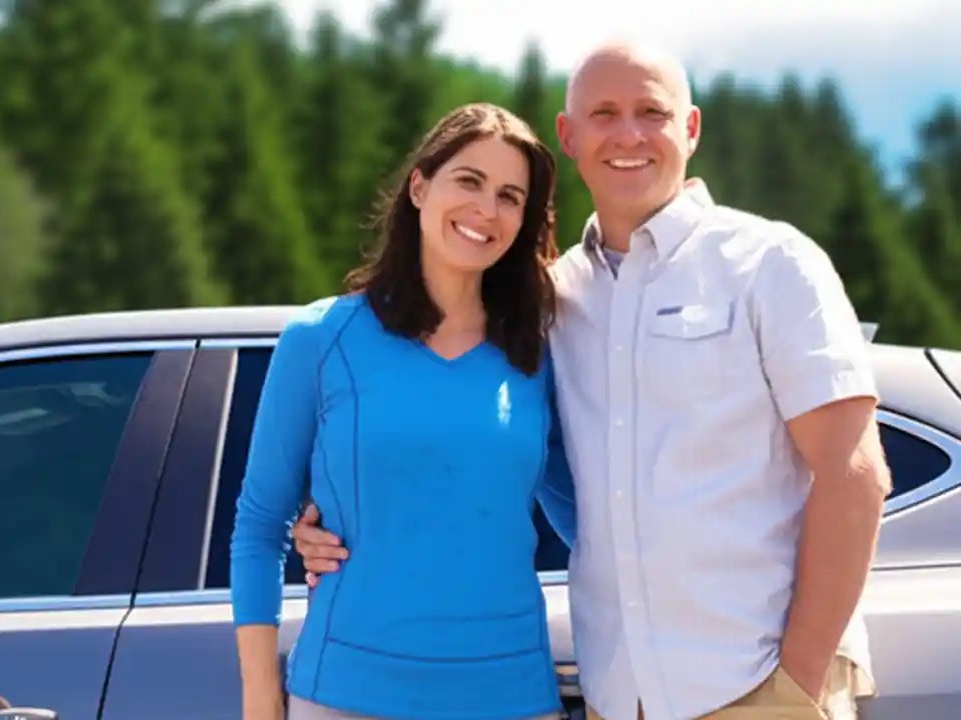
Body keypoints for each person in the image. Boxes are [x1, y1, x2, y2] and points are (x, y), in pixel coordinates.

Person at [293, 41, 892, 720]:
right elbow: (470, 445)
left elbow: (854, 474)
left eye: (652, 112)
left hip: (757, 685)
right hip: (620, 693)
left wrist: (797, 684)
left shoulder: (769, 263)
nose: (629, 134)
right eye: (604, 113)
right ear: (569, 136)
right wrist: (330, 524)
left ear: (690, 130)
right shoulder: (551, 301)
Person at [229, 102, 576, 720]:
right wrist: (261, 703)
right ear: (420, 187)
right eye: (467, 181)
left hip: (512, 696)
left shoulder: (540, 354)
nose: (485, 210)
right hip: (346, 694)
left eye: (509, 196)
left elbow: (589, 523)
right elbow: (259, 525)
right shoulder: (321, 338)